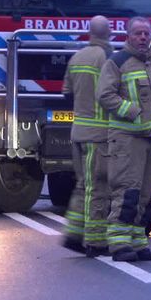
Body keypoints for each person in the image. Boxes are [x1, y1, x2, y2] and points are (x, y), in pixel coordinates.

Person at [96, 17, 151, 262]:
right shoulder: (117, 62)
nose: (143, 37)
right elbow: (105, 94)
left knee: (146, 193)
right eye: (137, 33)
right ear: (128, 36)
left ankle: (138, 241)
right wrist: (131, 111)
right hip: (127, 138)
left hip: (150, 138)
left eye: (146, 33)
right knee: (127, 191)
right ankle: (119, 244)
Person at [61, 16, 114, 256]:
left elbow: (66, 94)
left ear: (90, 33)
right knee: (97, 188)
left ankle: (73, 231)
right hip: (98, 135)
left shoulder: (76, 57)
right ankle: (95, 241)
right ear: (109, 34)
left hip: (78, 133)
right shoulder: (107, 59)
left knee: (83, 185)